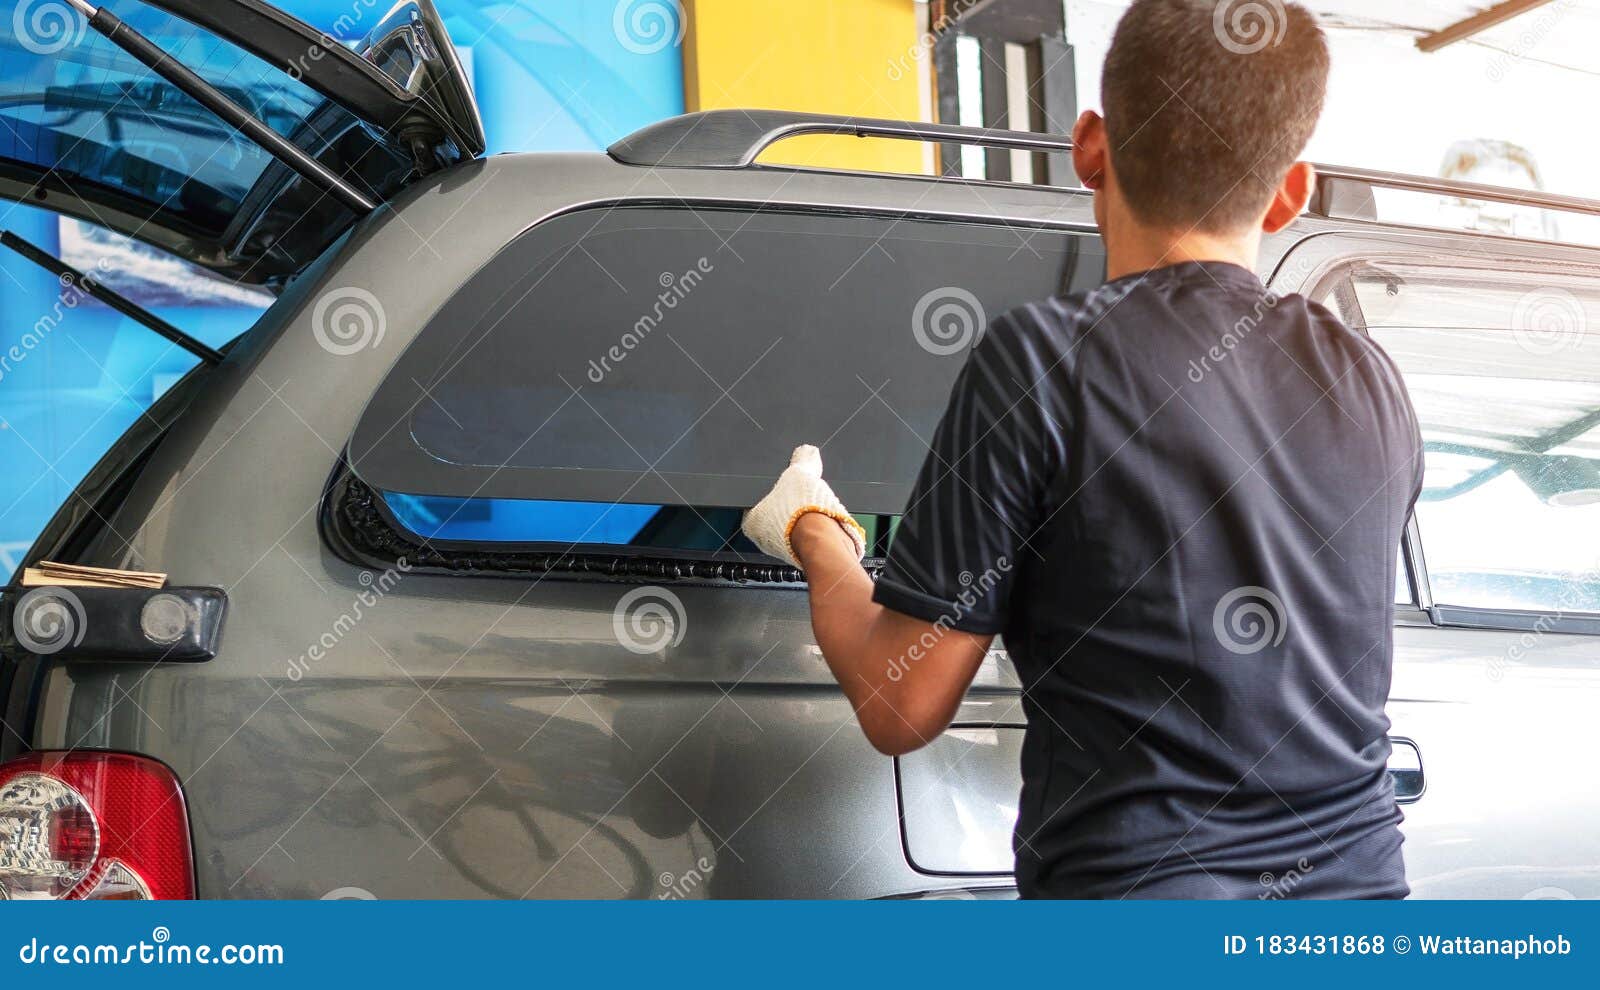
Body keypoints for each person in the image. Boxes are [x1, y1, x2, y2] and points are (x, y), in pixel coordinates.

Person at [741, 0, 1422, 899]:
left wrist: (815, 528)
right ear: (1292, 188)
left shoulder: (1040, 361)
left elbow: (900, 702)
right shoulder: (1373, 380)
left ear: (1091, 146)